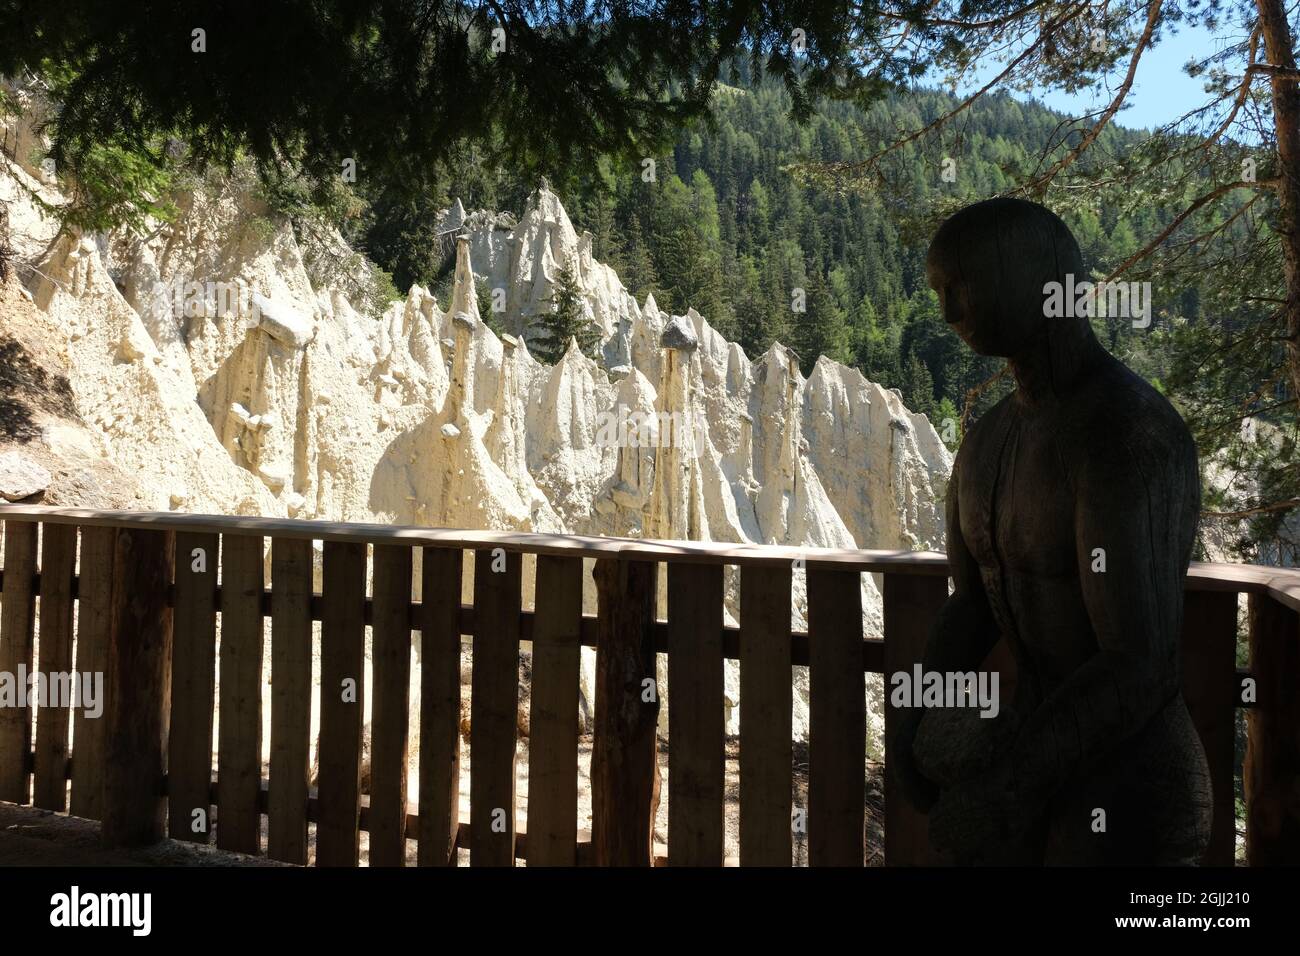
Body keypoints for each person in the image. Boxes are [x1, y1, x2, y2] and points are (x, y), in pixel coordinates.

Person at [893, 197, 1212, 865]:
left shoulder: (1127, 434)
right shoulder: (986, 444)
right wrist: (910, 718)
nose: (949, 314)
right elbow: (973, 607)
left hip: (1130, 792)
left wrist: (1006, 791)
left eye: (963, 286)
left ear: (1034, 277)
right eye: (939, 292)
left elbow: (1139, 665)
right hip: (1031, 766)